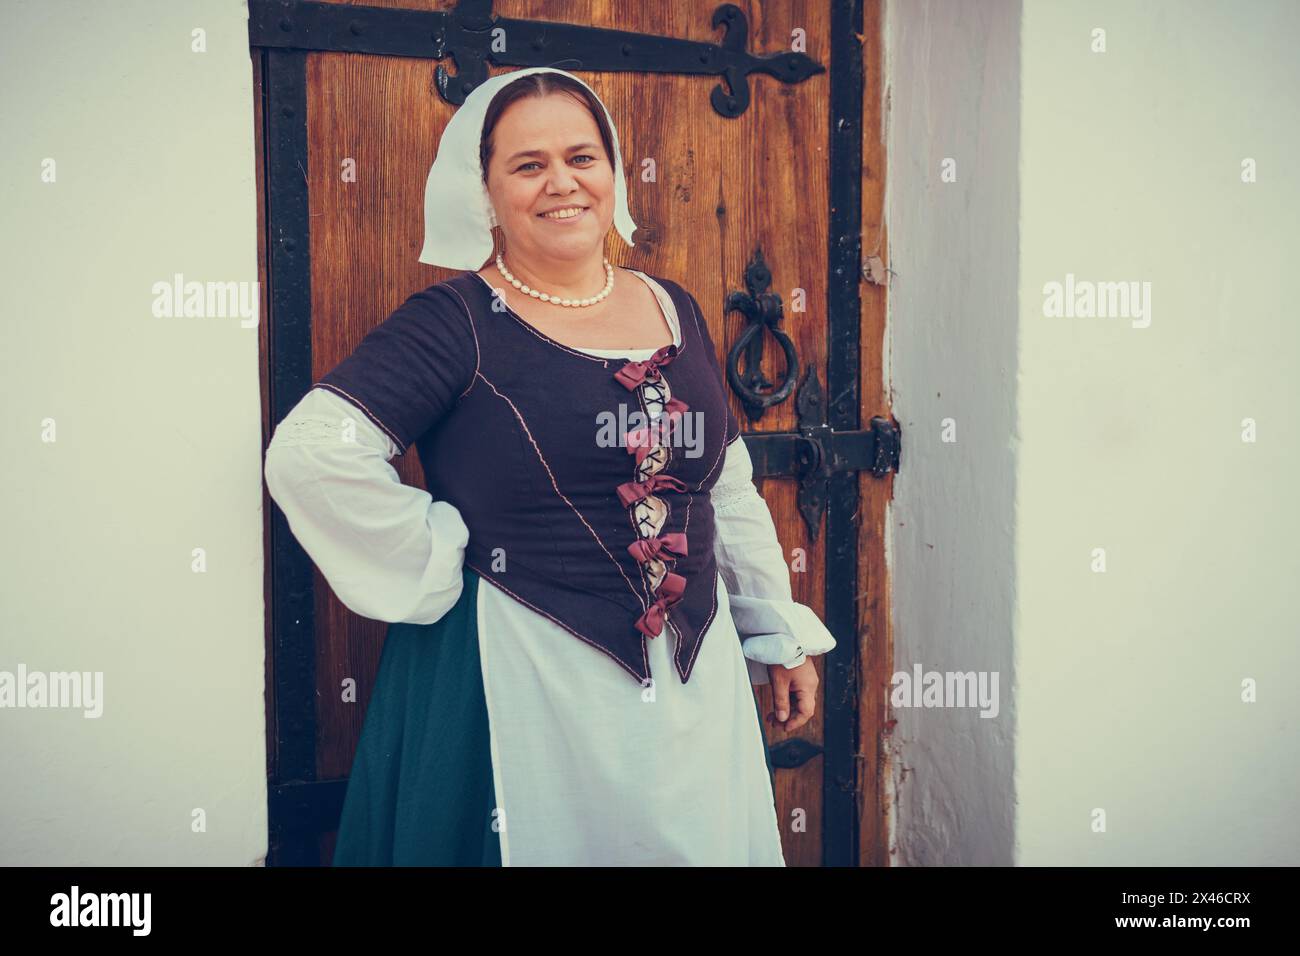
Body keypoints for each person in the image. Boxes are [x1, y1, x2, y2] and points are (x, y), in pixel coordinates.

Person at [263, 66, 836, 866]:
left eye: (582, 157)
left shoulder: (673, 305)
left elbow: (724, 484)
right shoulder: (454, 323)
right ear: (486, 190)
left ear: (611, 172)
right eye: (528, 166)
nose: (561, 183)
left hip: (691, 686)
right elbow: (310, 453)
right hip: (526, 674)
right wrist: (442, 552)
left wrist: (775, 631)